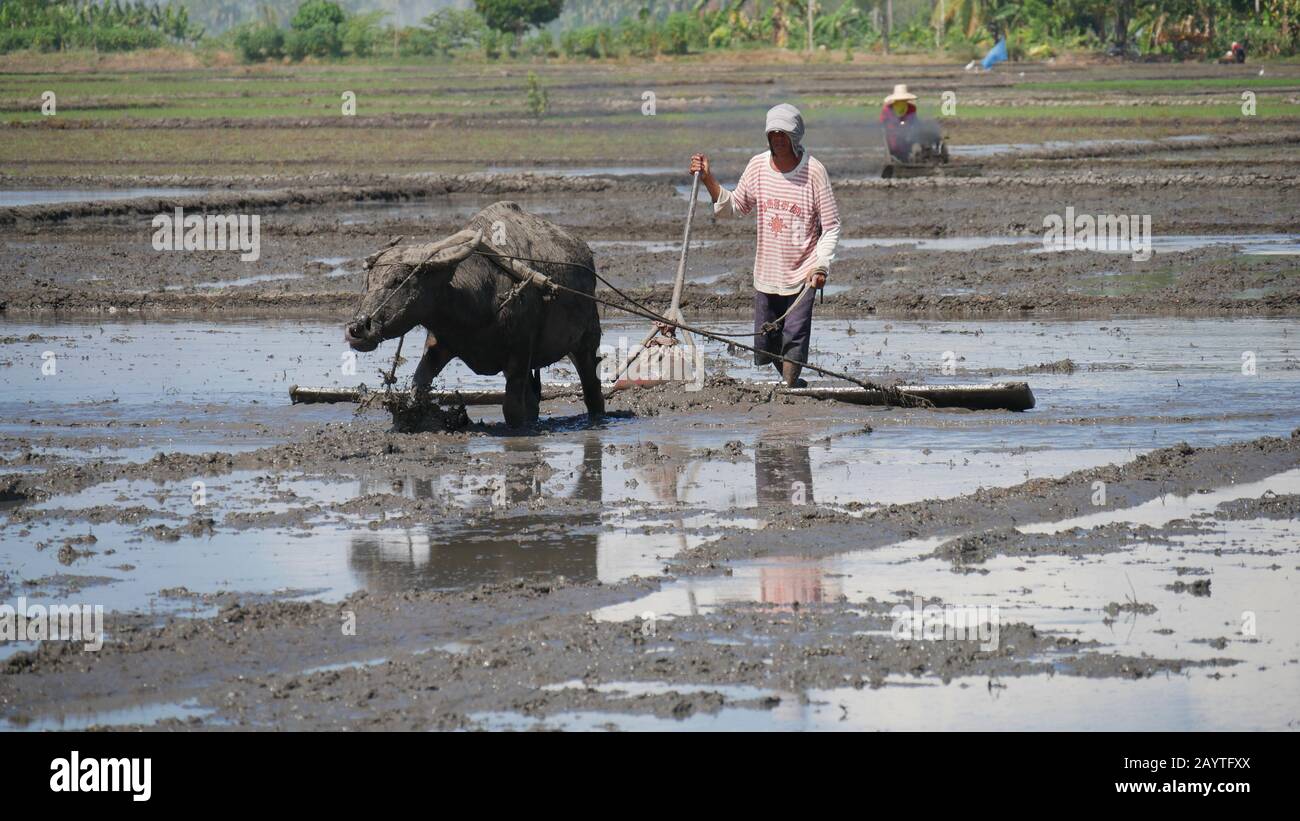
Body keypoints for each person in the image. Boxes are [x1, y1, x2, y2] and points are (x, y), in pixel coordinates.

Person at [689, 103, 840, 388]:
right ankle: (792, 385)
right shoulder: (758, 166)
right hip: (767, 273)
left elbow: (831, 226)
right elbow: (734, 206)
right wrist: (709, 178)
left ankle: (789, 390)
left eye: (784, 134)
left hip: (803, 275)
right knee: (767, 343)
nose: (778, 140)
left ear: (796, 136)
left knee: (794, 338)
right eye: (773, 134)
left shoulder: (814, 172)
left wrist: (821, 266)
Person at [880, 84, 918, 160]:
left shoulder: (911, 108)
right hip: (892, 134)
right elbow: (882, 123)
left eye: (903, 100)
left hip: (907, 133)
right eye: (899, 100)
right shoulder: (887, 109)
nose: (901, 102)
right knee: (894, 146)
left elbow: (914, 121)